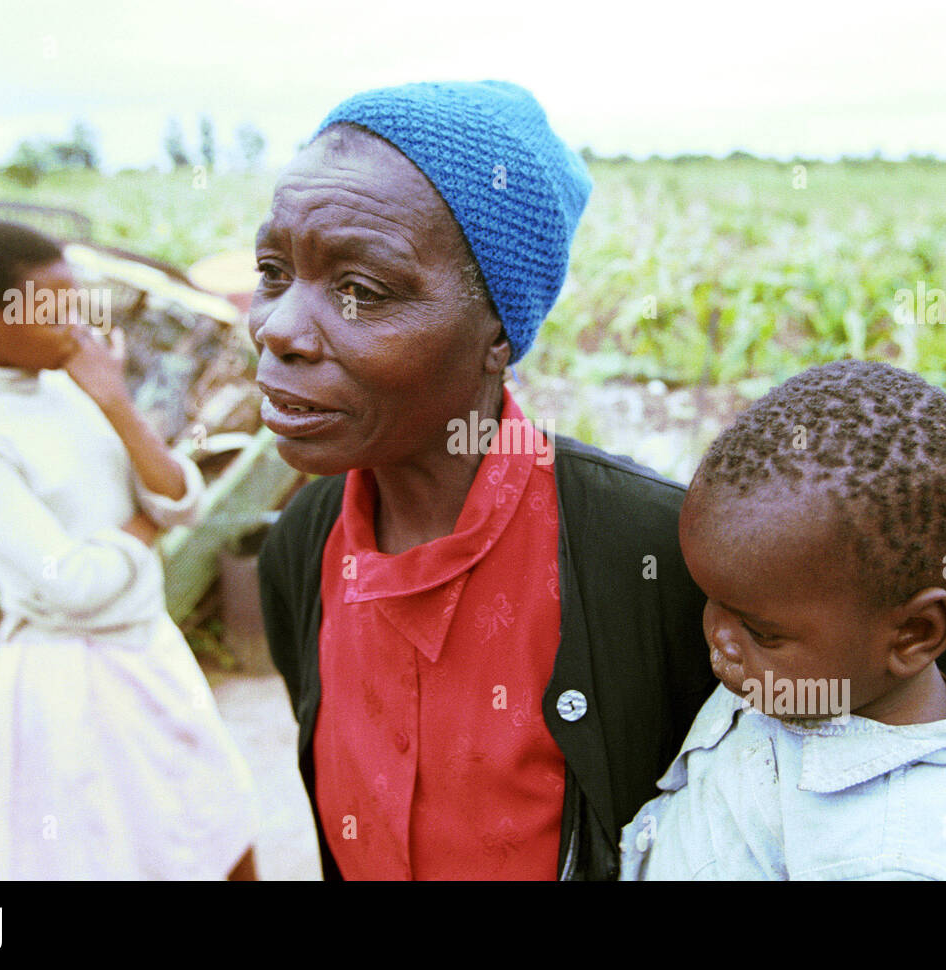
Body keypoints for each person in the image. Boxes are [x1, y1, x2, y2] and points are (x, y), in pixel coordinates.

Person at [254, 80, 716, 880]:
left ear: (499, 330)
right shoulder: (301, 549)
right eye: (273, 271)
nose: (279, 327)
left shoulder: (658, 560)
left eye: (360, 291)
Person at [0, 219, 260, 880]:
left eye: (76, 300)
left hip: (152, 650)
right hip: (75, 681)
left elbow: (182, 499)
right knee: (122, 857)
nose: (75, 323)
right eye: (53, 308)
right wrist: (145, 528)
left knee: (224, 830)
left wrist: (116, 403)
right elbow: (70, 582)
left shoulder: (74, 379)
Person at [619, 360, 946, 880]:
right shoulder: (827, 668)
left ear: (915, 635)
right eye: (710, 599)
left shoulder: (897, 859)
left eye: (760, 631)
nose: (718, 638)